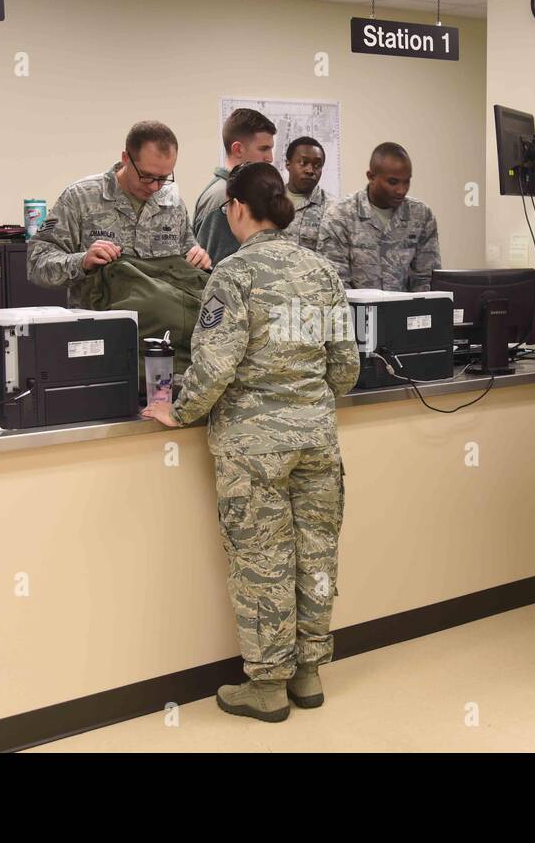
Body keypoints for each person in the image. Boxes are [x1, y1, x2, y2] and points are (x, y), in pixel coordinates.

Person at [144, 162, 360, 723]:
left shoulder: (234, 276)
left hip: (253, 447)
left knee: (262, 561)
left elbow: (212, 369)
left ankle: (267, 686)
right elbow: (346, 369)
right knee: (316, 553)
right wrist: (306, 393)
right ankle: (309, 672)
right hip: (316, 438)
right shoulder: (323, 273)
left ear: (239, 208)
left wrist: (177, 410)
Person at [27, 121, 209, 309]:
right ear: (126, 158)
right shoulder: (81, 198)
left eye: (164, 178)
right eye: (147, 176)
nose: (155, 187)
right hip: (101, 329)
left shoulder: (172, 205)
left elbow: (187, 261)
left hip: (163, 330)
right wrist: (81, 262)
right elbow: (36, 263)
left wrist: (199, 259)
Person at [318, 142, 440, 291]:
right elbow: (336, 283)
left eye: (407, 181)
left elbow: (426, 279)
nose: (401, 190)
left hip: (407, 311)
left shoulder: (421, 216)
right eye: (393, 182)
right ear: (371, 177)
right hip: (358, 312)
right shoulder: (340, 216)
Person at [192, 108, 276, 267]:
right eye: (263, 149)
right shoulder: (223, 197)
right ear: (238, 149)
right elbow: (216, 270)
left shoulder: (243, 192)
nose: (270, 158)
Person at [281, 136, 330, 251]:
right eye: (303, 163)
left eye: (317, 165)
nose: (310, 170)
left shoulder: (333, 209)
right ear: (288, 164)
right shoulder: (269, 201)